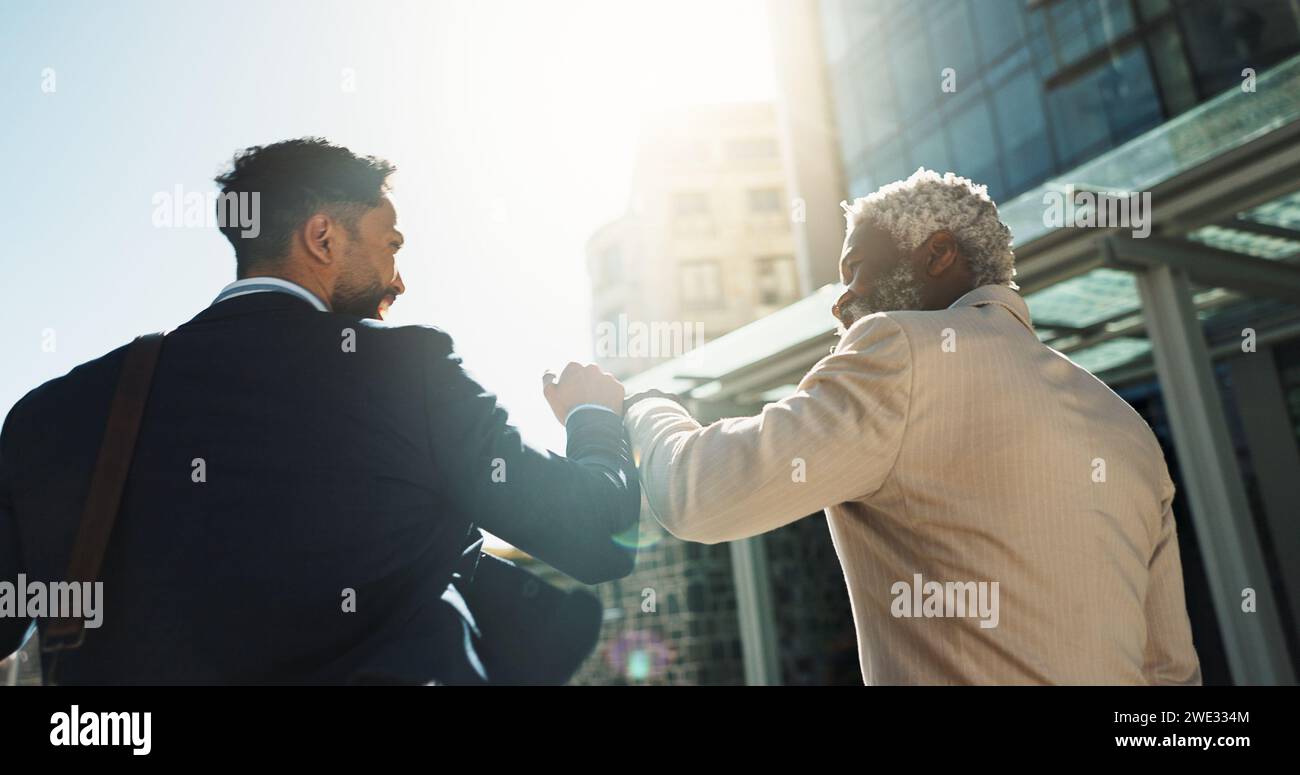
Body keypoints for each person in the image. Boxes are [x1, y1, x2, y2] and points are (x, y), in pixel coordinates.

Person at [0, 138, 638, 684]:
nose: (399, 277)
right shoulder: (407, 372)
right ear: (323, 237)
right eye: (390, 244)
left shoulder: (51, 414)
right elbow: (594, 536)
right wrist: (593, 417)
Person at [615, 168, 1201, 685]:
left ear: (938, 253)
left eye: (856, 269)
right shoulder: (1125, 425)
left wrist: (639, 404)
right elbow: (1170, 673)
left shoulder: (899, 352)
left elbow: (700, 493)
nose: (842, 299)